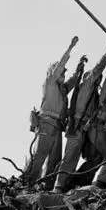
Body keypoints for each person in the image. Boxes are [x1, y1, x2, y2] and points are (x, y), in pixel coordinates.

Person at [53, 35, 106, 192]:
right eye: (93, 76)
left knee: (100, 154)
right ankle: (59, 186)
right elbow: (98, 69)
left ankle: (78, 181)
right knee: (70, 158)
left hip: (86, 128)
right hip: (77, 126)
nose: (97, 78)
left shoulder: (94, 94)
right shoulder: (86, 85)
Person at [24, 36, 80, 186]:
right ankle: (27, 183)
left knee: (54, 159)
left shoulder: (61, 89)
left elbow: (72, 83)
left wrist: (78, 71)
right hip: (46, 123)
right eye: (61, 73)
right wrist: (70, 48)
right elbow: (60, 66)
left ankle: (45, 186)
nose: (63, 75)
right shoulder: (50, 82)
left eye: (64, 74)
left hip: (57, 125)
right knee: (39, 156)